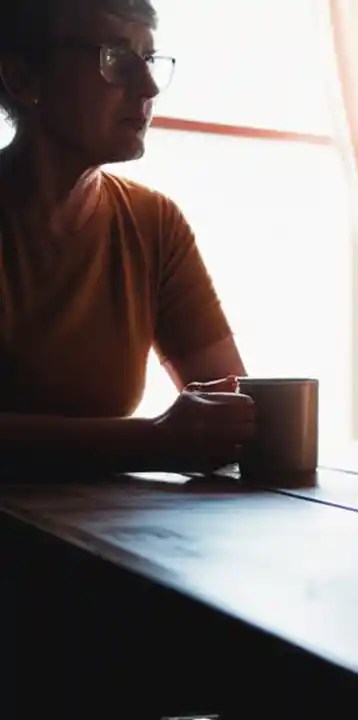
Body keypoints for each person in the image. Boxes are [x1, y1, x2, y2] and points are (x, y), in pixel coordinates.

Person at [0, 0, 254, 474]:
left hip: (98, 533)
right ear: (23, 78)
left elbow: (227, 405)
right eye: (115, 58)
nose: (149, 86)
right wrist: (154, 441)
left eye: (149, 59)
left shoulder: (152, 222)